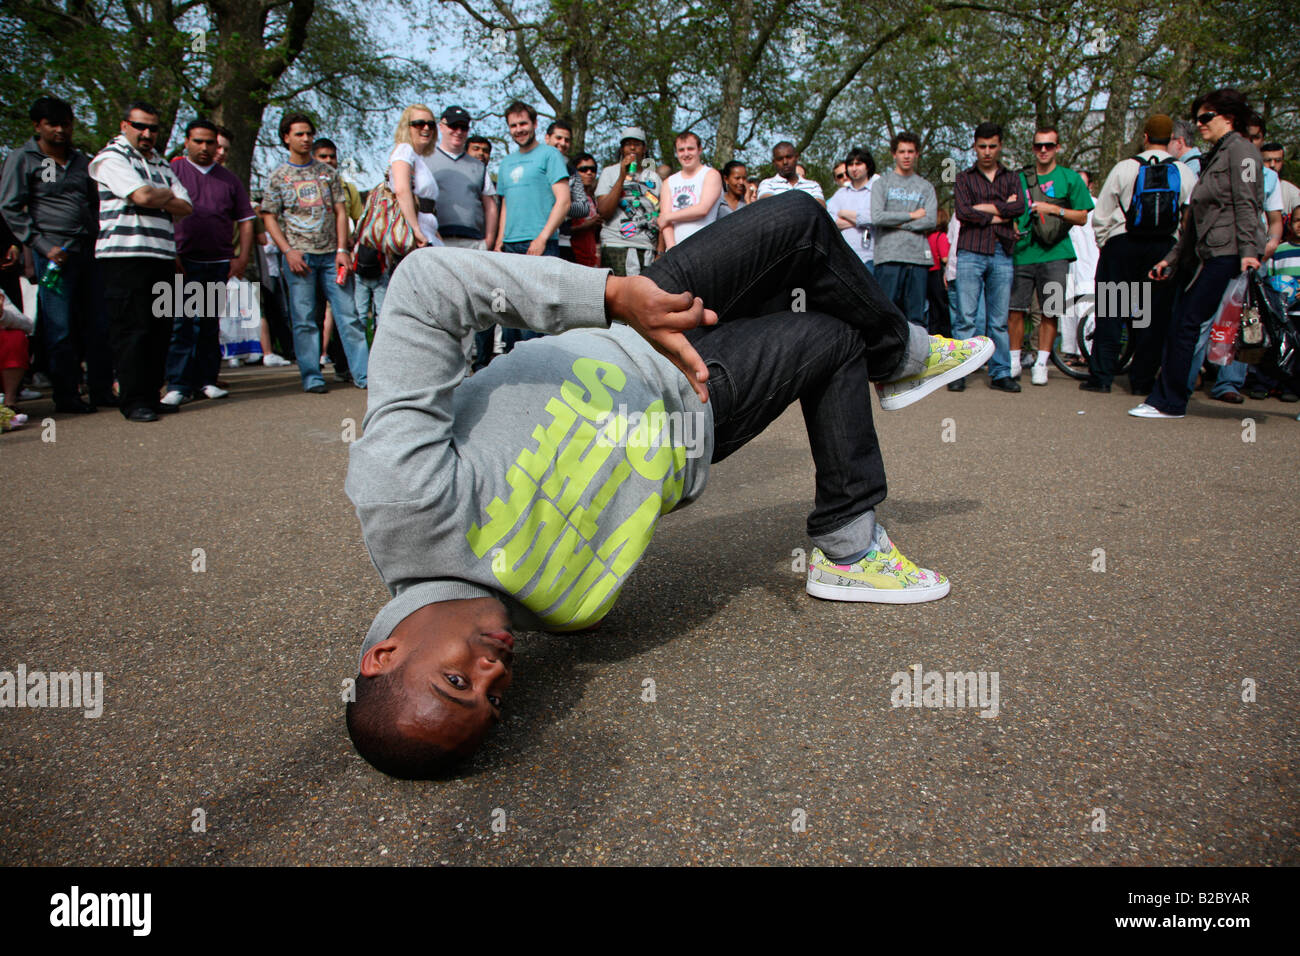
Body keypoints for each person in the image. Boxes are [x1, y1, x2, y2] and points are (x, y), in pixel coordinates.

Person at [343, 190, 996, 777]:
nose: (494, 675)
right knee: (832, 337)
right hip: (703, 404)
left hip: (625, 322)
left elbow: (423, 292)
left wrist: (608, 295)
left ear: (384, 654)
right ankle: (851, 546)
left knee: (796, 221)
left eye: (457, 679)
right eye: (495, 701)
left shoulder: (403, 497)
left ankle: (901, 357)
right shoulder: (563, 610)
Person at [1132, 89, 1265, 419]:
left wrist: (1248, 251)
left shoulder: (1243, 153)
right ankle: (1165, 399)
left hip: (1228, 252)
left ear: (1228, 118)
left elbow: (1247, 203)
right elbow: (1195, 222)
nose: (1198, 124)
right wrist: (1172, 259)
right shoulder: (1219, 154)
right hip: (1208, 252)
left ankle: (1170, 402)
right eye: (1197, 118)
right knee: (1183, 324)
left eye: (1205, 117)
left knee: (1188, 323)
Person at [0, 95, 113, 413]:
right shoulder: (23, 159)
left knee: (99, 324)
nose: (61, 130)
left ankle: (102, 389)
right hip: (52, 255)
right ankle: (67, 395)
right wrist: (41, 245)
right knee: (59, 327)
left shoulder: (82, 161)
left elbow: (95, 203)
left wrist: (97, 233)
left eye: (66, 124)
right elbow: (10, 207)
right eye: (53, 124)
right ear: (38, 126)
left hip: (89, 251)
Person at [89, 101, 194, 422]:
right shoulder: (111, 158)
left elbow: (187, 206)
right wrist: (161, 196)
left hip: (161, 254)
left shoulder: (162, 163)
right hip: (125, 255)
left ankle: (150, 394)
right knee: (132, 329)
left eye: (153, 128)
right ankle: (133, 400)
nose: (147, 133)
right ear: (124, 126)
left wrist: (154, 193)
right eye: (140, 126)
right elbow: (144, 197)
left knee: (159, 329)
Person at [1081, 115, 1195, 395]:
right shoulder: (1183, 172)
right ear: (1170, 139)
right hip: (1163, 249)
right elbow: (1191, 216)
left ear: (1144, 136)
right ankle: (1142, 381)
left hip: (1122, 245)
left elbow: (1103, 212)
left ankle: (1101, 377)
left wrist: (1104, 241)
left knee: (1111, 313)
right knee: (1152, 317)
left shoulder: (1124, 168)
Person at [260, 111, 369, 394]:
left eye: (309, 133)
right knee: (306, 319)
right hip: (300, 259)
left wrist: (343, 249)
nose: (306, 139)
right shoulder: (279, 177)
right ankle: (312, 375)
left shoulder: (328, 174)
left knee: (349, 316)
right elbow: (269, 215)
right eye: (299, 134)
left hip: (333, 256)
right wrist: (287, 251)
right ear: (286, 138)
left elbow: (340, 211)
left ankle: (364, 374)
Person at [161, 118, 256, 407]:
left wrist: (242, 258)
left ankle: (207, 380)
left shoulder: (228, 179)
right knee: (181, 323)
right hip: (182, 262)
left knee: (209, 324)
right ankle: (177, 383)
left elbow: (246, 219)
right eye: (198, 141)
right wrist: (171, 251)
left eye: (209, 142)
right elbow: (160, 212)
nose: (204, 147)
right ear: (186, 141)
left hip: (217, 262)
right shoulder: (172, 171)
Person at [1008, 126, 1093, 387]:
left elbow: (1082, 215)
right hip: (1023, 251)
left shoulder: (1070, 178)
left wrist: (1054, 209)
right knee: (1015, 310)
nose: (1043, 150)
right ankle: (1013, 361)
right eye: (1038, 146)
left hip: (1056, 252)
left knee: (1050, 310)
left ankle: (1041, 363)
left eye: (1048, 145)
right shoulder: (1019, 177)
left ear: (1057, 148)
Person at [950, 120, 1025, 392]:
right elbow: (963, 212)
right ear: (975, 146)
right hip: (971, 251)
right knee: (966, 317)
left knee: (999, 319)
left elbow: (1019, 208)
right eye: (982, 146)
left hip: (1002, 252)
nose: (987, 151)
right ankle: (958, 372)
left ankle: (1001, 372)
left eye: (992, 146)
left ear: (1000, 146)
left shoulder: (1012, 176)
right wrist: (1001, 212)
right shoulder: (964, 178)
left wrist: (986, 209)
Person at [494, 101, 570, 353]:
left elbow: (564, 200)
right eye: (513, 126)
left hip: (539, 245)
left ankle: (541, 378)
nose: (519, 130)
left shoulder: (550, 155)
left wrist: (542, 238)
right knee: (508, 320)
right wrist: (498, 243)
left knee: (536, 321)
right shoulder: (506, 163)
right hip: (510, 246)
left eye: (523, 123)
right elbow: (505, 205)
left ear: (535, 124)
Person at [871, 131, 937, 328]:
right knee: (886, 315)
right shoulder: (881, 184)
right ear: (894, 154)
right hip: (888, 257)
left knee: (916, 317)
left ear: (917, 154)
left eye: (910, 151)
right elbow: (877, 217)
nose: (906, 156)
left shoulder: (925, 186)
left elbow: (931, 220)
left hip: (917, 257)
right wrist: (911, 215)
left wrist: (898, 224)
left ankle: (916, 358)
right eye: (902, 151)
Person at [595, 126, 662, 276]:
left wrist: (660, 251)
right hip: (616, 245)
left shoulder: (653, 178)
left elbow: (661, 215)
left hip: (646, 247)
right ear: (621, 149)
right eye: (628, 144)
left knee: (644, 297)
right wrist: (622, 176)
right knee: (618, 297)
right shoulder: (609, 173)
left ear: (644, 149)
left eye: (637, 144)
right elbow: (604, 211)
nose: (632, 148)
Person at [429, 106, 498, 253]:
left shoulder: (479, 167)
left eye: (463, 128)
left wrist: (489, 240)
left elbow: (490, 205)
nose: (458, 132)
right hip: (436, 241)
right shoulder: (425, 159)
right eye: (453, 126)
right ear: (441, 127)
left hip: (473, 243)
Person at [542, 119, 595, 263]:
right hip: (532, 237)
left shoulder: (572, 172)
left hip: (563, 242)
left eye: (567, 140)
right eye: (558, 138)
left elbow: (584, 208)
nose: (563, 143)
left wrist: (561, 206)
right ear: (547, 138)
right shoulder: (536, 164)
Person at [660, 132, 722, 249]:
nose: (686, 154)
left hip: (705, 246)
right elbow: (665, 223)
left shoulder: (711, 175)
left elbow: (702, 209)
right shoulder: (668, 182)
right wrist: (672, 249)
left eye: (690, 149)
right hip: (676, 251)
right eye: (681, 150)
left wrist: (668, 217)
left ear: (699, 150)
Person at [826, 147, 878, 273]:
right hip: (845, 258)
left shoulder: (876, 190)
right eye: (851, 165)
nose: (854, 168)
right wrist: (860, 220)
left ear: (868, 166)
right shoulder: (840, 194)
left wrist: (844, 213)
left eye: (858, 164)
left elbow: (875, 217)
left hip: (871, 258)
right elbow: (830, 221)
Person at [756, 142, 825, 206]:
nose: (785, 162)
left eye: (788, 157)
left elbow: (820, 208)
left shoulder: (813, 186)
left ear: (796, 157)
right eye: (780, 159)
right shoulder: (767, 184)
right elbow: (768, 205)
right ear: (774, 162)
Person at [568, 152, 602, 267]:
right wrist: (586, 225)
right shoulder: (567, 197)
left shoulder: (592, 199)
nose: (589, 173)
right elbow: (562, 231)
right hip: (572, 258)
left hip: (591, 259)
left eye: (593, 170)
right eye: (583, 169)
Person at [925, 208, 951, 336]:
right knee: (943, 307)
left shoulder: (928, 237)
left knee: (933, 309)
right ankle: (945, 334)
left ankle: (933, 333)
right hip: (939, 274)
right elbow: (945, 258)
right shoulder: (941, 237)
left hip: (928, 273)